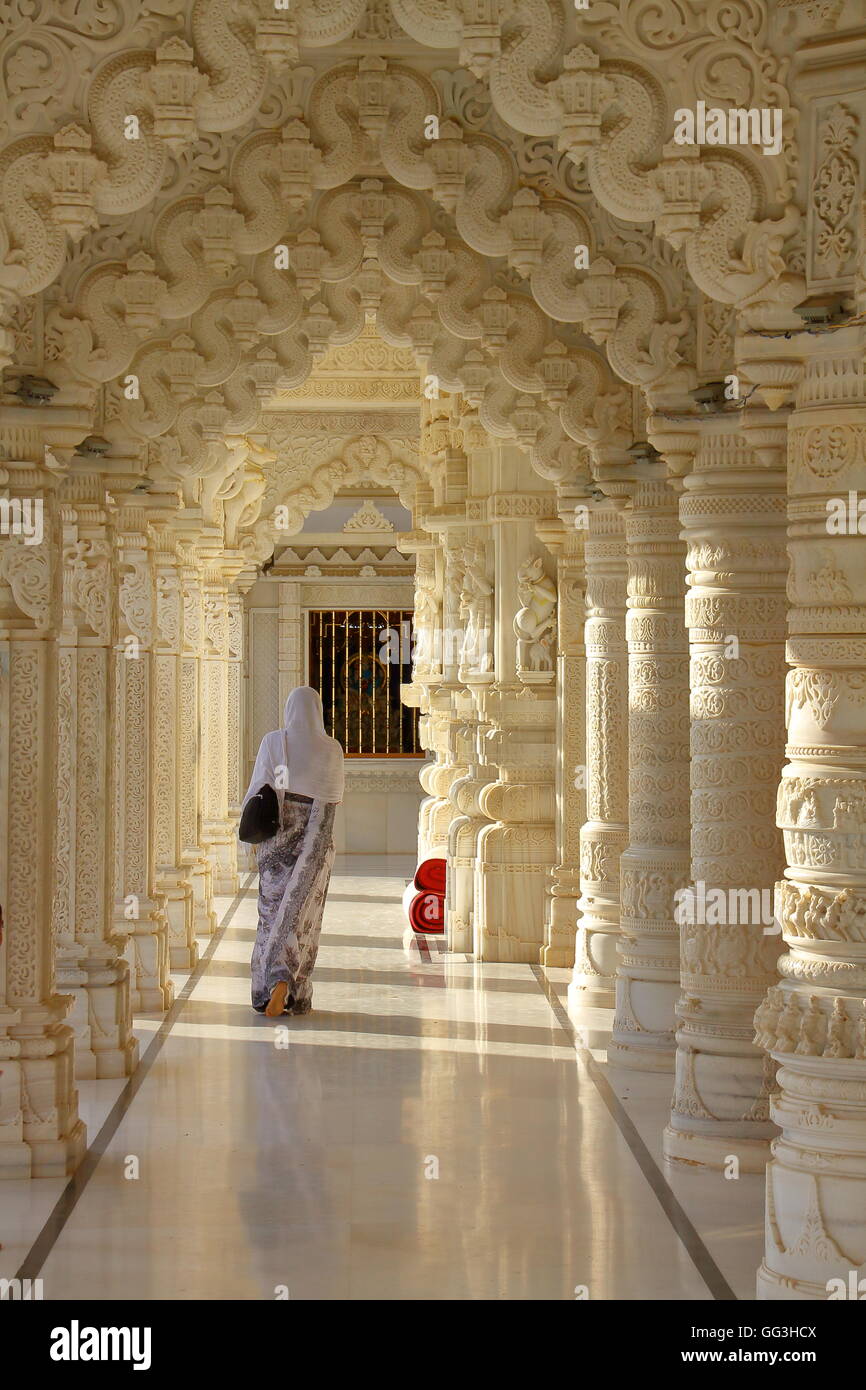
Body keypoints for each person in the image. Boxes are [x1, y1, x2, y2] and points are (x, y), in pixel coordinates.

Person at [242, 686, 344, 1017]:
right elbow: (332, 802)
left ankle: (266, 987)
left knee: (271, 913)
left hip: (276, 845)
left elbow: (260, 788)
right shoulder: (332, 749)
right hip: (316, 847)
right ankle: (295, 990)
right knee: (304, 918)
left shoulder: (275, 742)